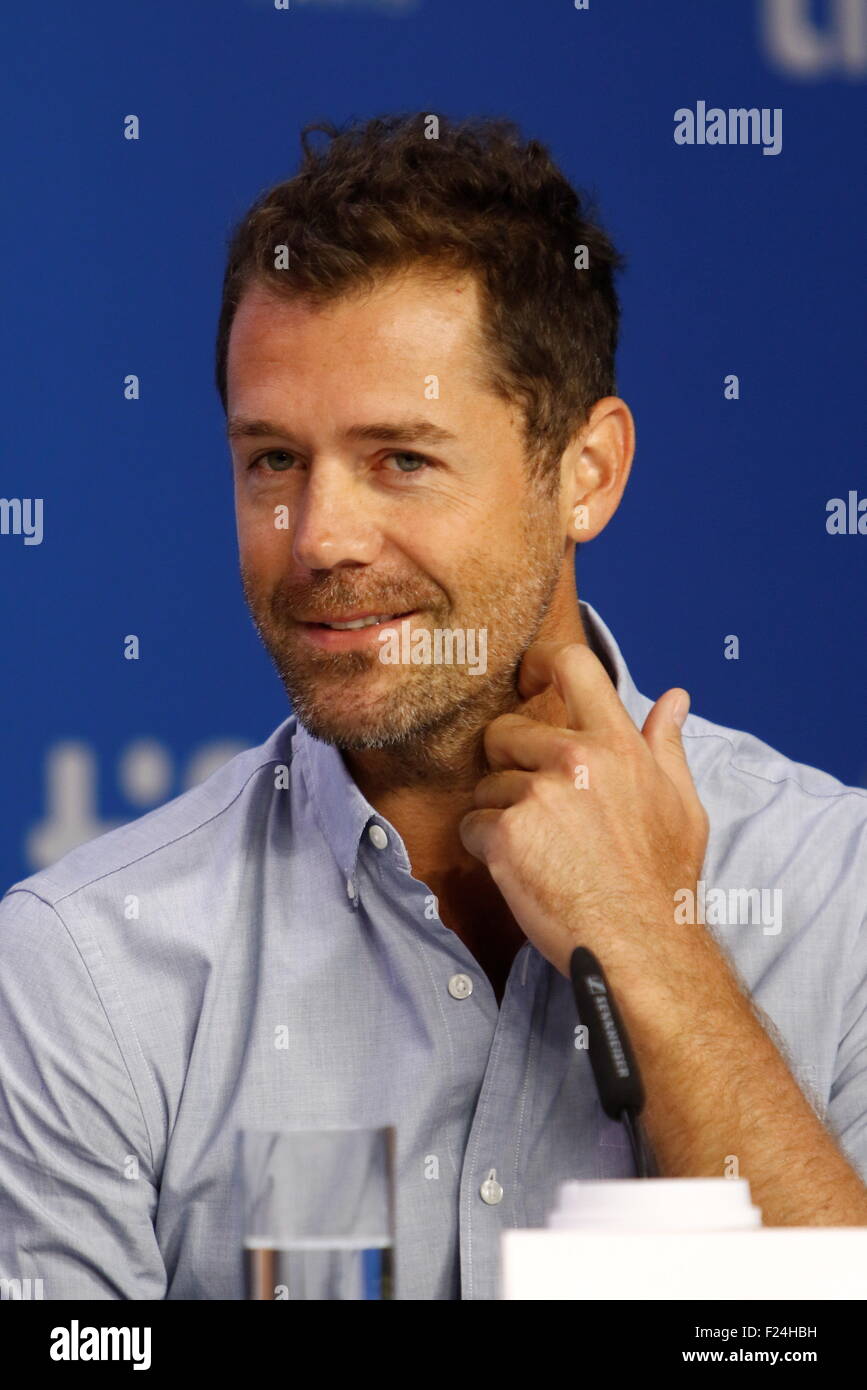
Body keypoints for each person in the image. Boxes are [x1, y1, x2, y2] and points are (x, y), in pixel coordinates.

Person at [1, 113, 866, 1302]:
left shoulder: (840, 892)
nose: (320, 540)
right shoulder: (83, 968)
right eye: (272, 461)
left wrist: (658, 952)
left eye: (402, 457)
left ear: (587, 473)